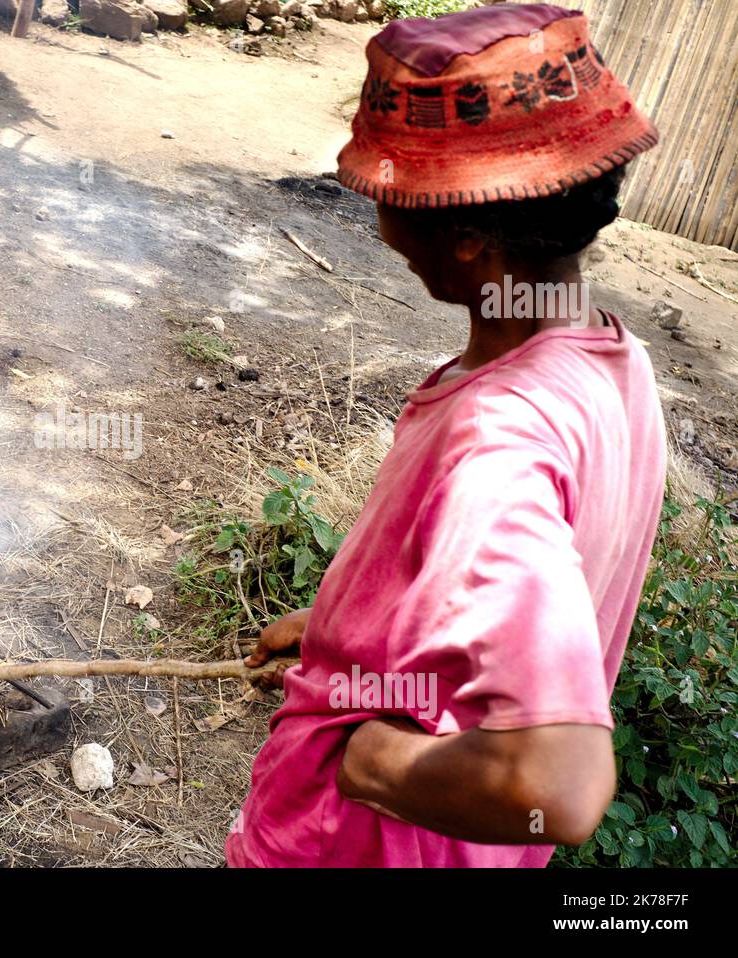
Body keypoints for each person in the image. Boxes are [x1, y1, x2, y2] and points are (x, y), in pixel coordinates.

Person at [226, 2, 665, 867]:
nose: (377, 213)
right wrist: (343, 645)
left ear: (465, 236)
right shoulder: (615, 363)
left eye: (389, 193)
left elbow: (558, 785)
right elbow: (485, 624)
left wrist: (368, 757)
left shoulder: (496, 442)